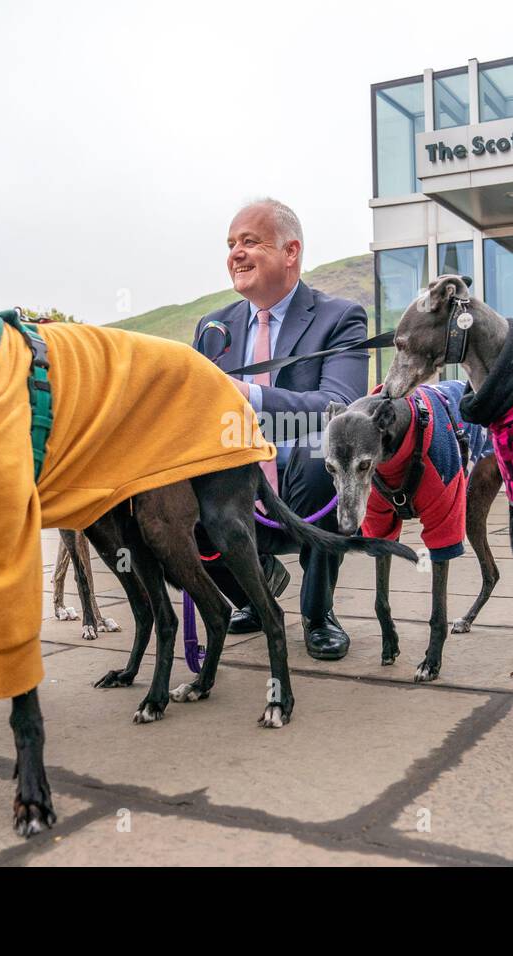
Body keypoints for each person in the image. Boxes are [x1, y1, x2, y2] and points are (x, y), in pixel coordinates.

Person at [191, 199, 368, 660]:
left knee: (321, 458)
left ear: (290, 252)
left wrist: (244, 394)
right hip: (235, 477)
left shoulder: (341, 317)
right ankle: (256, 590)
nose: (236, 253)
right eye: (231, 244)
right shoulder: (212, 327)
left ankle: (317, 614)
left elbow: (339, 406)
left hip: (301, 484)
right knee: (178, 486)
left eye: (250, 241)